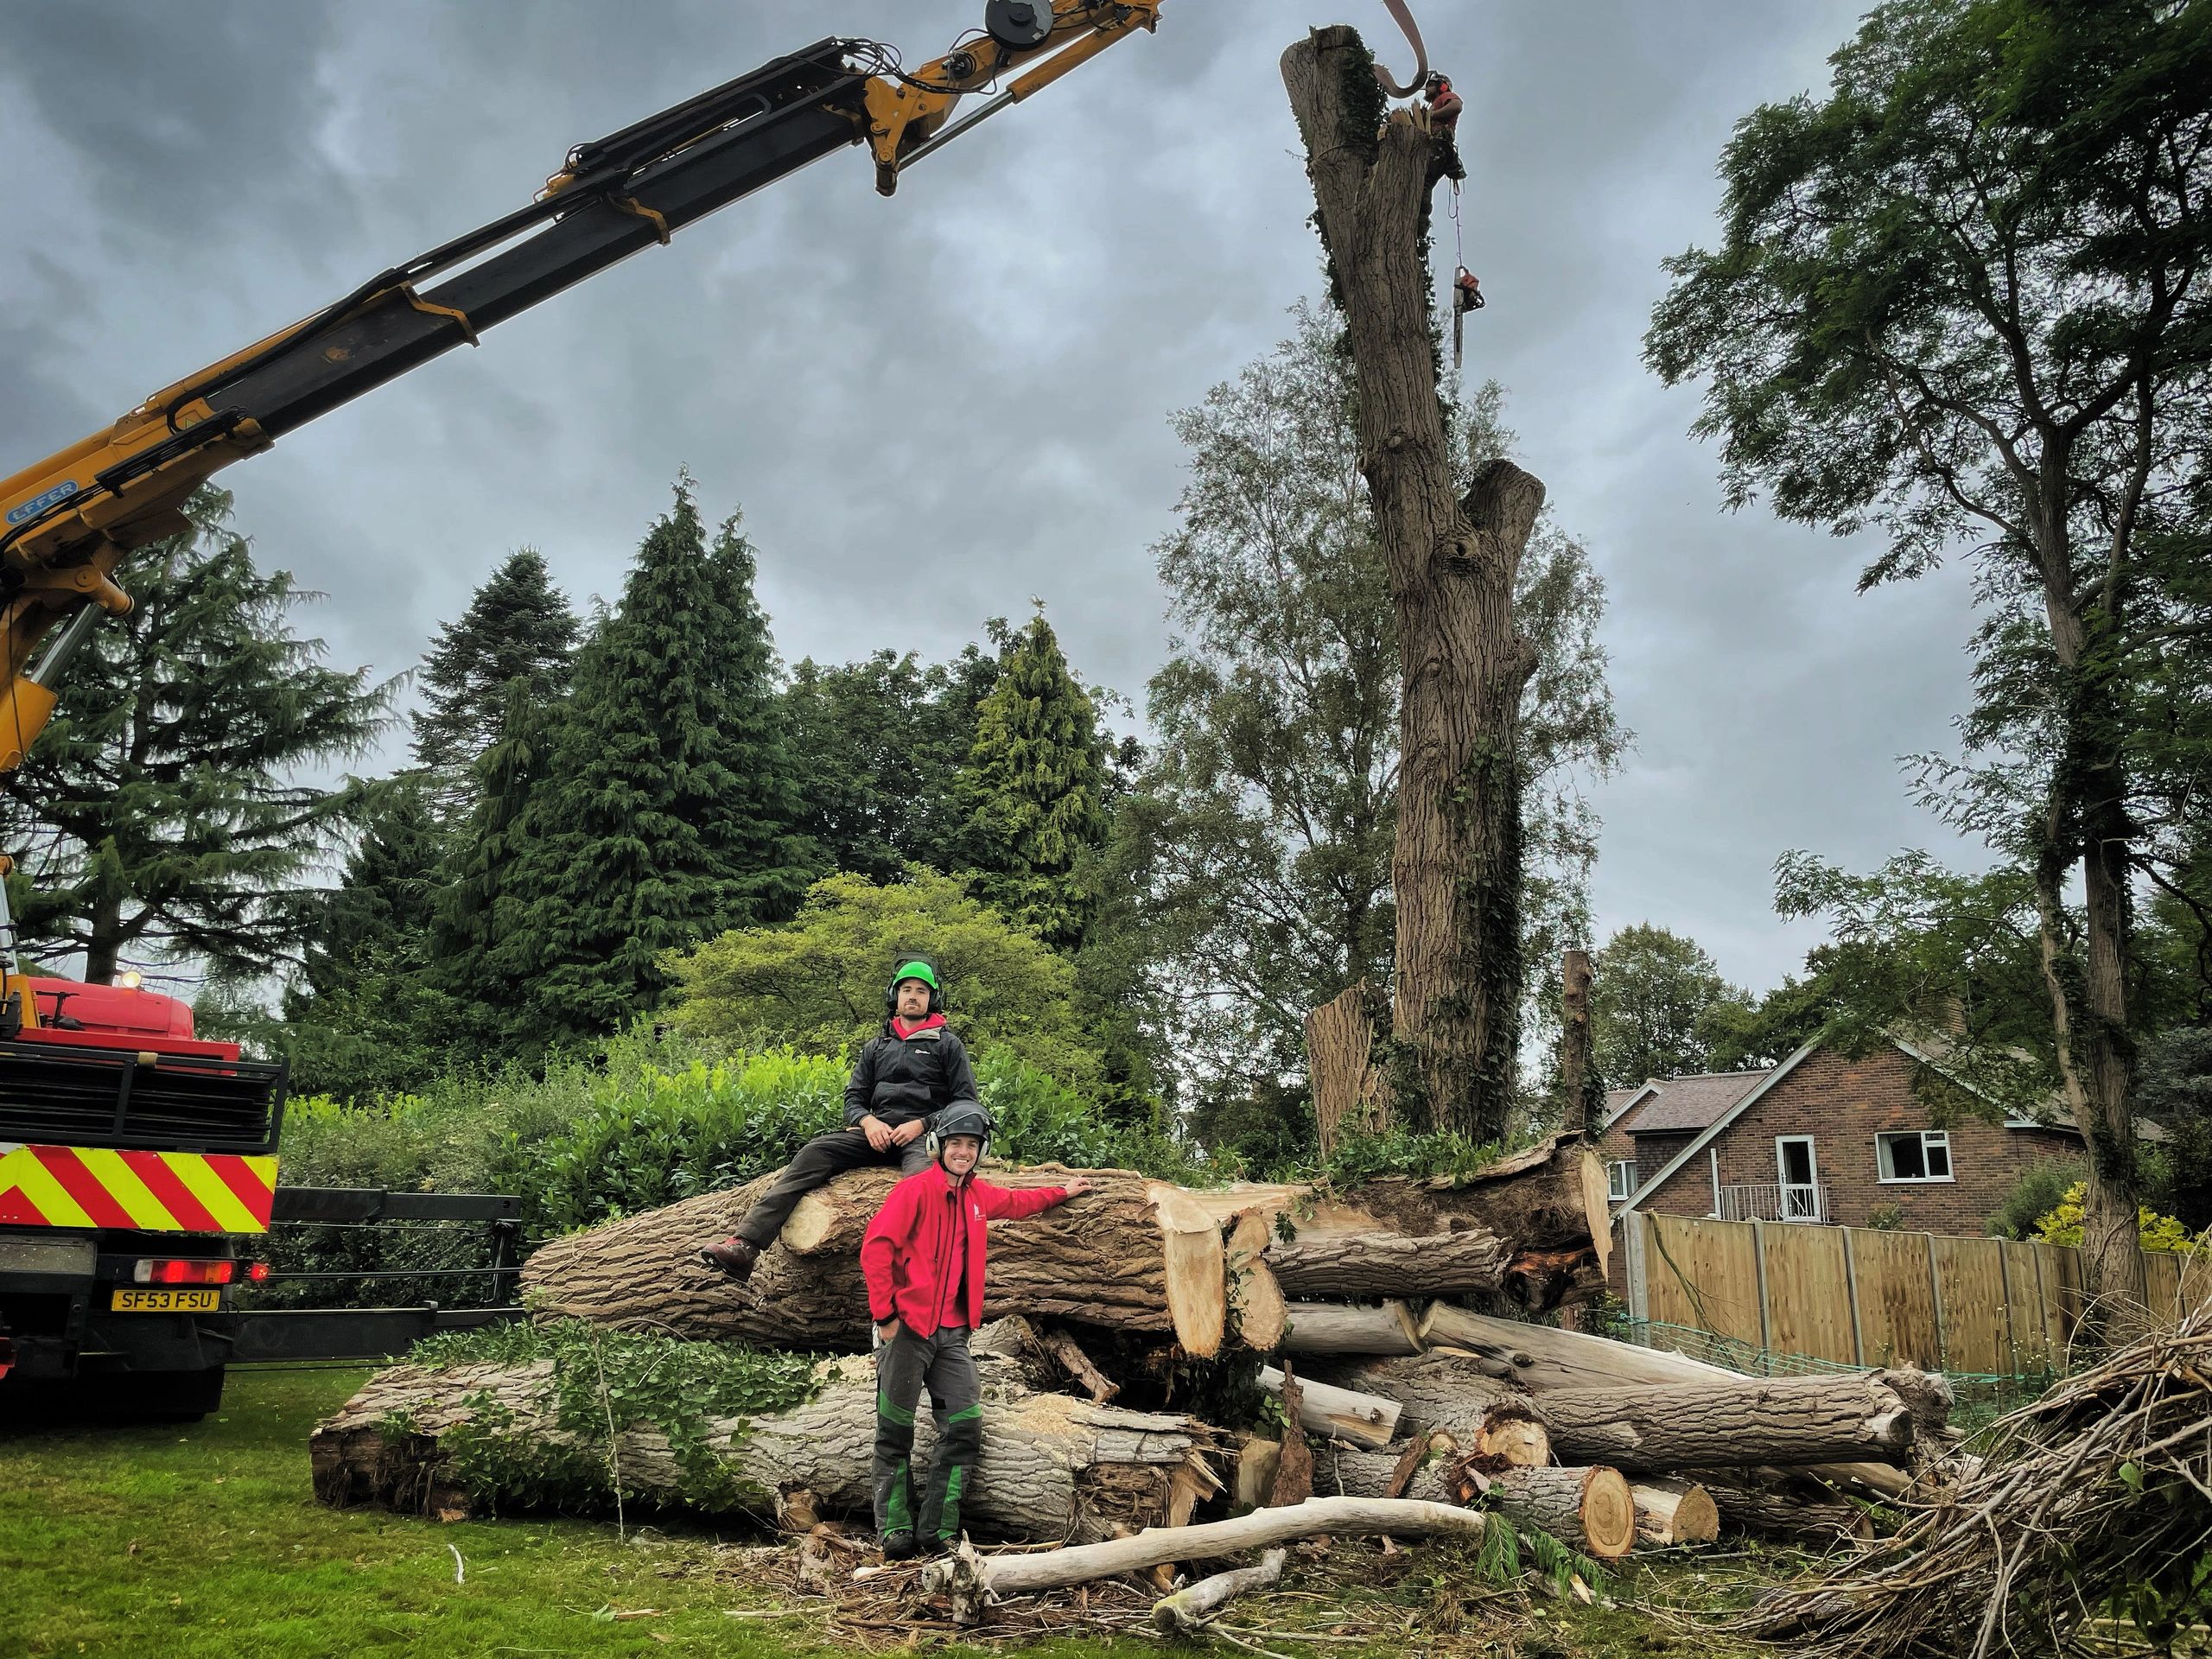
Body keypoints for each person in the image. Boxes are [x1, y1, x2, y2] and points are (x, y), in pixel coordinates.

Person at [860, 1102, 1091, 1560]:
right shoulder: (913, 1192)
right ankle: (894, 1529)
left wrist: (1063, 1191)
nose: (963, 1152)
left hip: (953, 1335)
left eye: (971, 1145)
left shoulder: (978, 1196)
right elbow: (875, 1250)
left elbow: (1021, 1202)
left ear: (980, 1150)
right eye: (955, 1144)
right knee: (894, 1432)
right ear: (938, 1146)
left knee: (964, 1427)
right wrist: (886, 1317)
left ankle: (938, 1529)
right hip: (906, 1330)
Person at [697, 959, 976, 1281]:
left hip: (922, 1138)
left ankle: (926, 1269)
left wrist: (922, 1124)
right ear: (895, 995)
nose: (913, 996)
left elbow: (965, 1103)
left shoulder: (948, 1045)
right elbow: (853, 1099)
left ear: (933, 999)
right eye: (906, 989)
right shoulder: (876, 1047)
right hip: (878, 1133)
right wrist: (868, 1122)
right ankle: (744, 1246)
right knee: (815, 1151)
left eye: (921, 991)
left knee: (922, 1184)